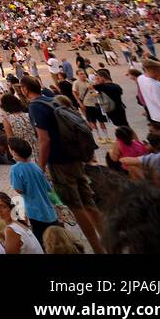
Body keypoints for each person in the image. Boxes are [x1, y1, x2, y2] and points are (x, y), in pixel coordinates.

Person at [22, 75, 104, 253]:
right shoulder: (53, 100)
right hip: (75, 157)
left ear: (25, 89)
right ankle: (109, 241)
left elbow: (44, 140)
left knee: (76, 205)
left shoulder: (35, 106)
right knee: (89, 202)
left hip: (60, 162)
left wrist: (41, 167)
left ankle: (97, 247)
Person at [6, 137, 58, 244]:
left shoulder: (16, 169)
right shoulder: (36, 166)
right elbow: (48, 188)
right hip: (49, 211)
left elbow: (19, 189)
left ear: (14, 152)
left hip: (35, 211)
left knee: (40, 240)